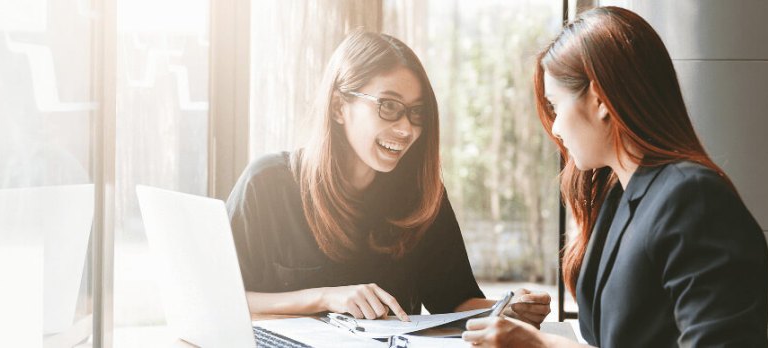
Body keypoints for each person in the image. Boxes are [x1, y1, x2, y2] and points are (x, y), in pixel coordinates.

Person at [461, 6, 768, 347]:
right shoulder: (619, 198)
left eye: (556, 106)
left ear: (598, 99)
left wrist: (542, 345)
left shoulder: (693, 198)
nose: (556, 128)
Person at [226, 31, 551, 327]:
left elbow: (456, 301)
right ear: (339, 107)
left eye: (417, 112)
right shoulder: (267, 184)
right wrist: (326, 297)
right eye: (389, 106)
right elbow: (222, 297)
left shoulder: (421, 196)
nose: (406, 129)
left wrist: (506, 308)